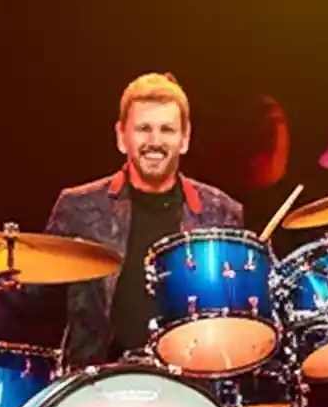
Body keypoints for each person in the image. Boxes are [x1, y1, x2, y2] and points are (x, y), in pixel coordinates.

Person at [36, 71, 244, 367]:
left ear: (184, 139)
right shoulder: (78, 208)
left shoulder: (221, 212)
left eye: (167, 130)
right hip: (96, 384)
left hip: (191, 385)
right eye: (144, 128)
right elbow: (36, 303)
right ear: (121, 137)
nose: (155, 141)